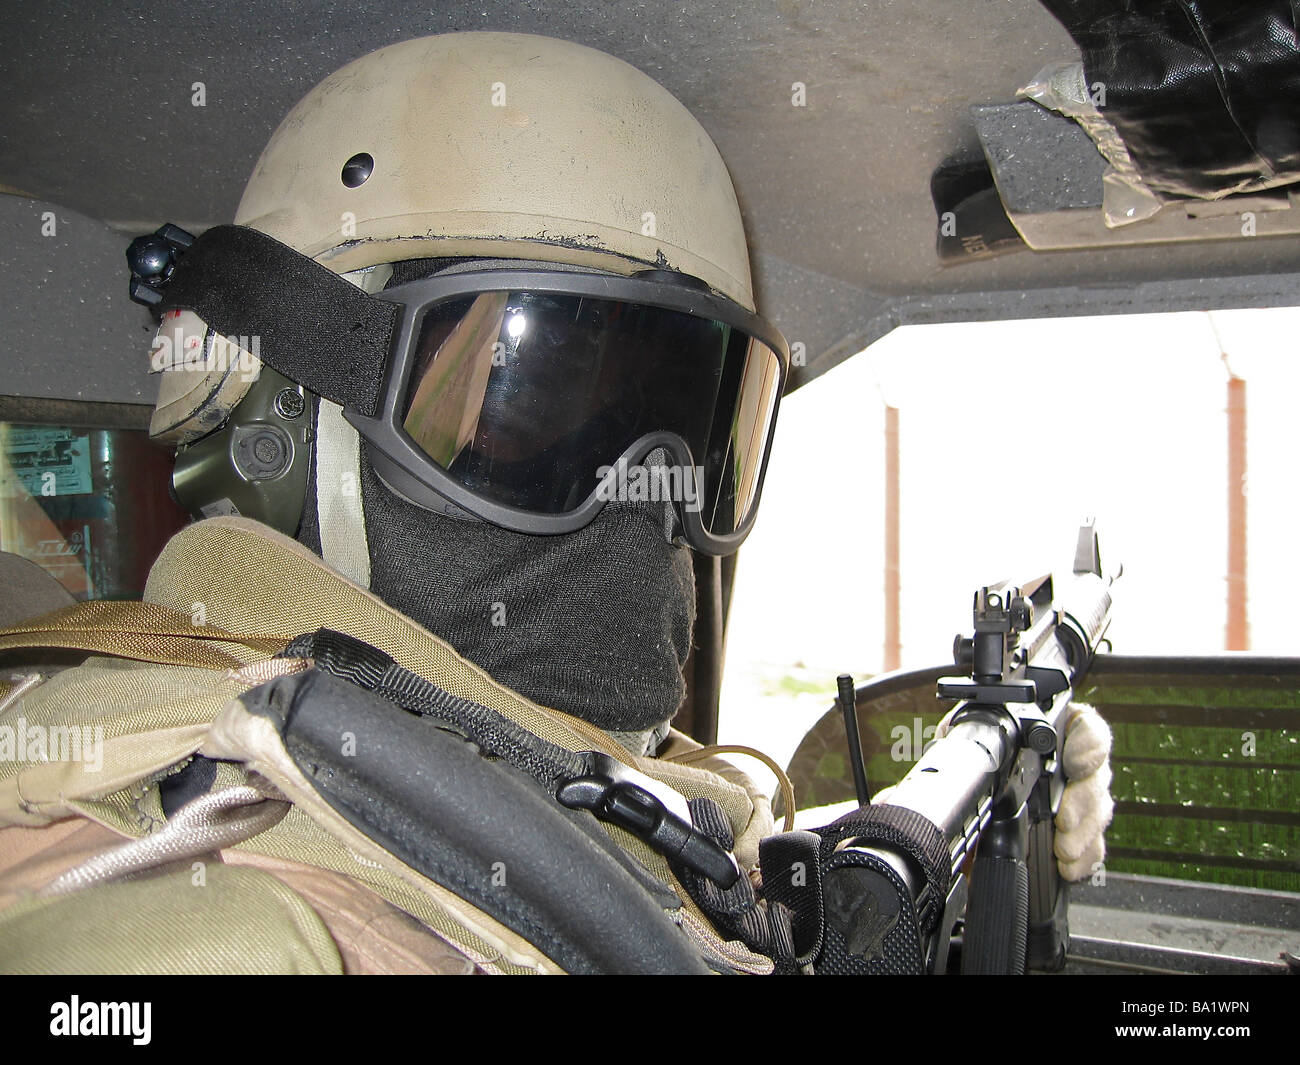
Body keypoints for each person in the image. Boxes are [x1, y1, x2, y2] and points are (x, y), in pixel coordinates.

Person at [0, 32, 1110, 975]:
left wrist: (940, 835)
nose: (645, 495)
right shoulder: (216, 924)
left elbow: (615, 847)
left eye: (687, 425)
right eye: (533, 412)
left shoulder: (507, 772)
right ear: (274, 422)